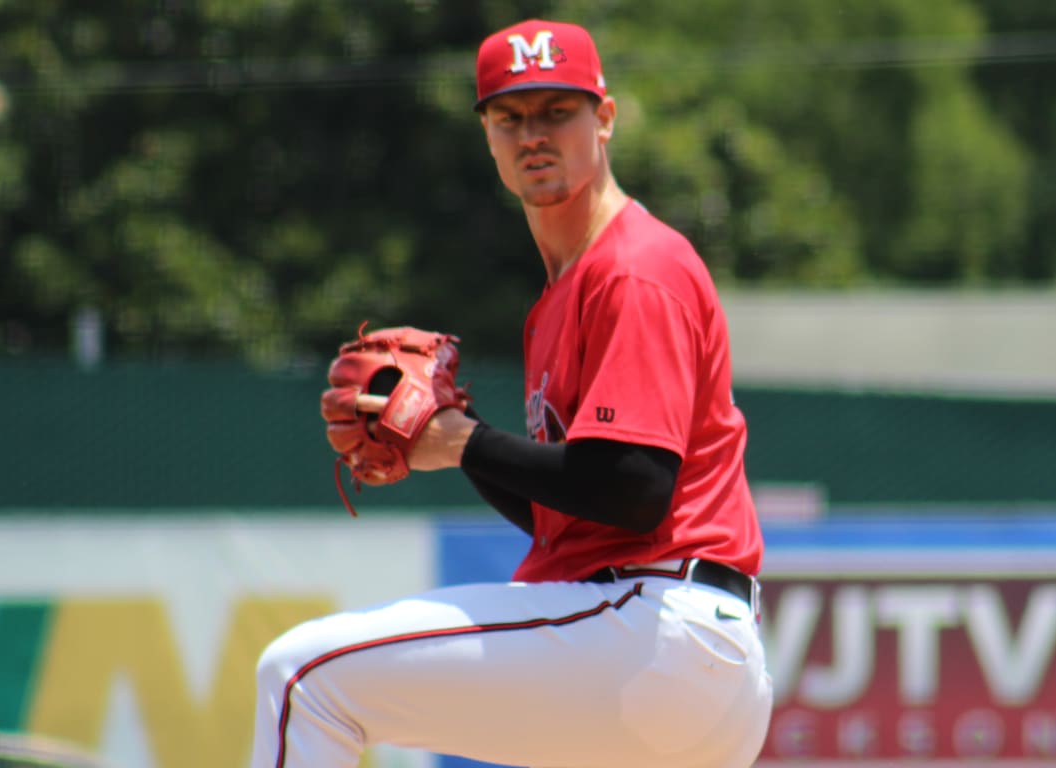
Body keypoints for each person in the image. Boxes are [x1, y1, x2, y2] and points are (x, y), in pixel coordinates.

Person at [251, 18, 772, 768]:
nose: (534, 133)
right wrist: (459, 437)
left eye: (558, 110)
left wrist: (462, 441)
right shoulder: (560, 297)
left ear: (606, 119)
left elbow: (634, 490)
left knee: (302, 677)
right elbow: (569, 515)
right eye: (510, 115)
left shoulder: (633, 267)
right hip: (670, 661)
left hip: (654, 628)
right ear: (488, 137)